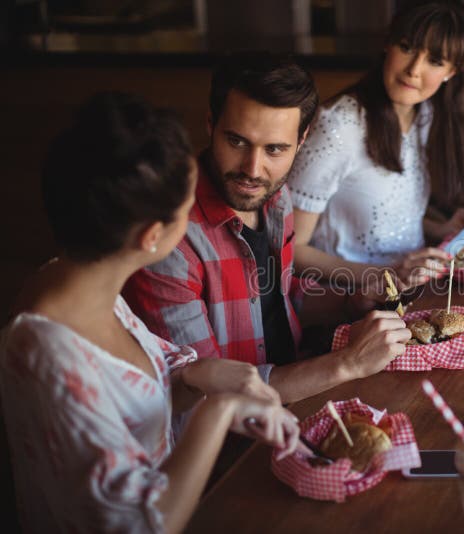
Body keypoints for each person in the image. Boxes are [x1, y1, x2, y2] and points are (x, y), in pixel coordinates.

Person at [0, 93, 305, 533]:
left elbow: (153, 375)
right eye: (187, 208)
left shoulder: (81, 280)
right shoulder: (48, 355)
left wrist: (200, 375)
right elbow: (141, 523)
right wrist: (217, 411)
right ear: (151, 236)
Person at [123, 53, 411, 404]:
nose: (253, 169)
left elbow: (279, 294)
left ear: (301, 141)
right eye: (237, 141)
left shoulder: (276, 196)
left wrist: (350, 302)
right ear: (211, 124)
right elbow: (204, 395)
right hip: (232, 440)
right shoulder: (169, 239)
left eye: (275, 149)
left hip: (300, 393)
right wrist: (347, 364)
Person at [288, 0, 464, 289]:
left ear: (451, 73)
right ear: (387, 45)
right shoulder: (339, 125)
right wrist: (386, 275)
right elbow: (292, 249)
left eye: (435, 61)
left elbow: (388, 215)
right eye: (406, 47)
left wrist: (443, 230)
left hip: (412, 289)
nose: (414, 70)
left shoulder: (424, 114)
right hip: (347, 301)